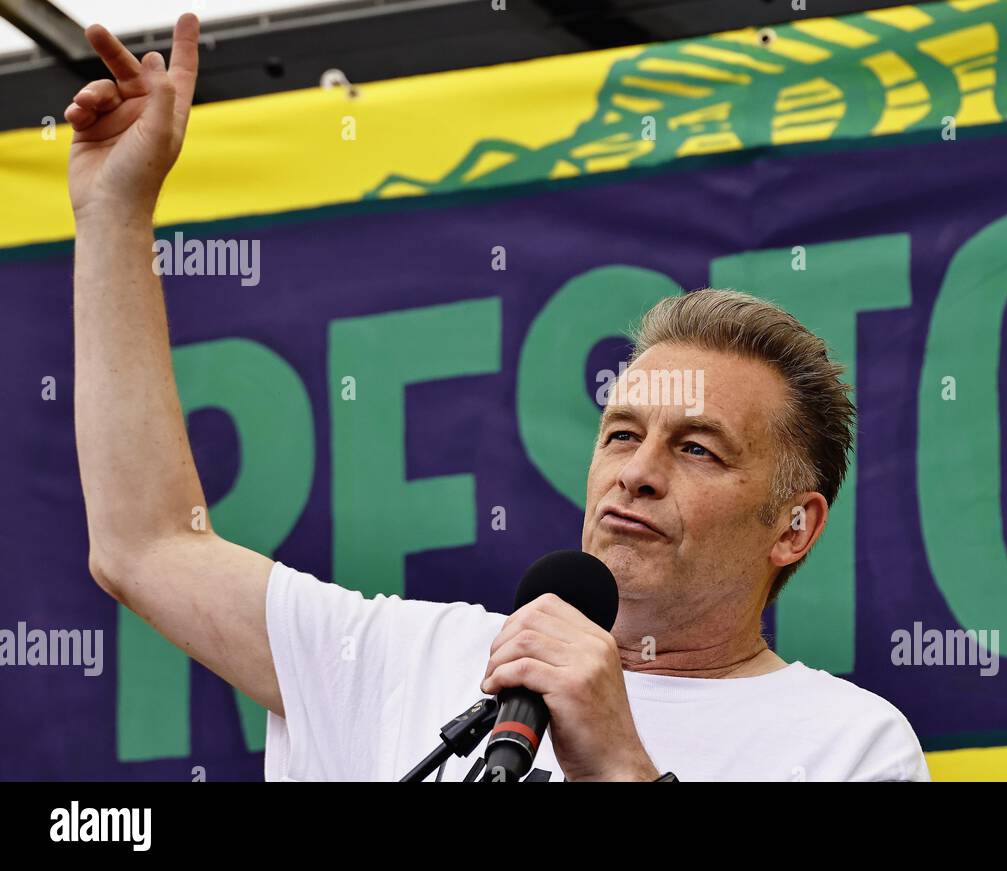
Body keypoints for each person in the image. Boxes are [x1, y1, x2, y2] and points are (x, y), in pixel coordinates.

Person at [66, 13, 929, 782]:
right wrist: (116, 213)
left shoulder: (853, 746)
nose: (637, 474)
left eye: (697, 448)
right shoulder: (408, 657)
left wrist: (618, 763)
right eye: (622, 434)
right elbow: (144, 543)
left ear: (795, 526)